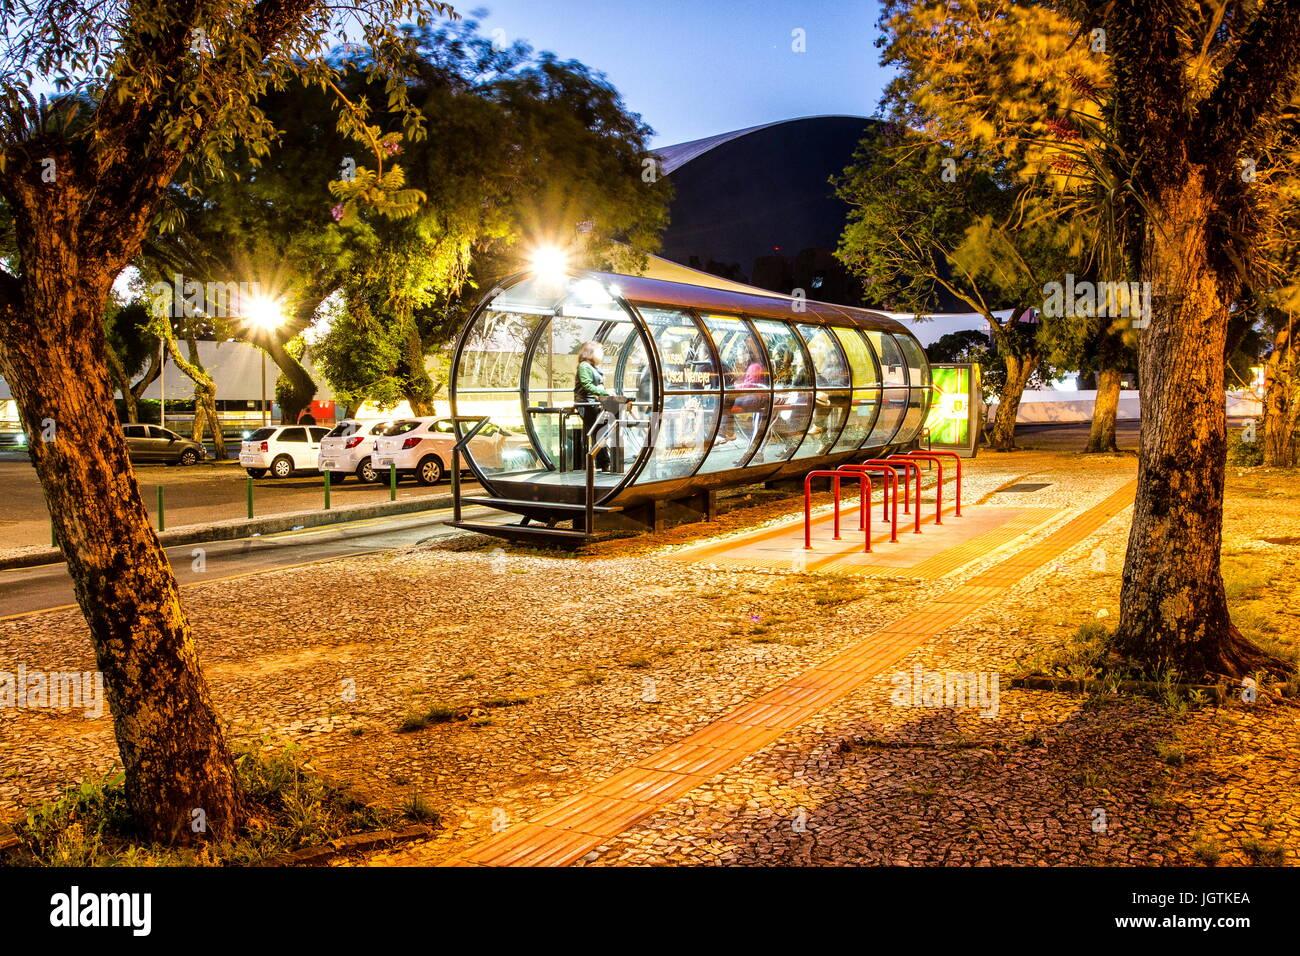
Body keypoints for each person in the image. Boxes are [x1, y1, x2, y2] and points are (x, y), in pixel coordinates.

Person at [574, 341, 612, 470]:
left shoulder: (593, 367)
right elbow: (586, 385)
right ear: (590, 352)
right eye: (599, 351)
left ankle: (604, 463)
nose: (601, 354)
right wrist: (604, 392)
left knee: (601, 432)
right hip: (586, 404)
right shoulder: (584, 366)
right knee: (598, 433)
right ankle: (604, 463)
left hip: (595, 403)